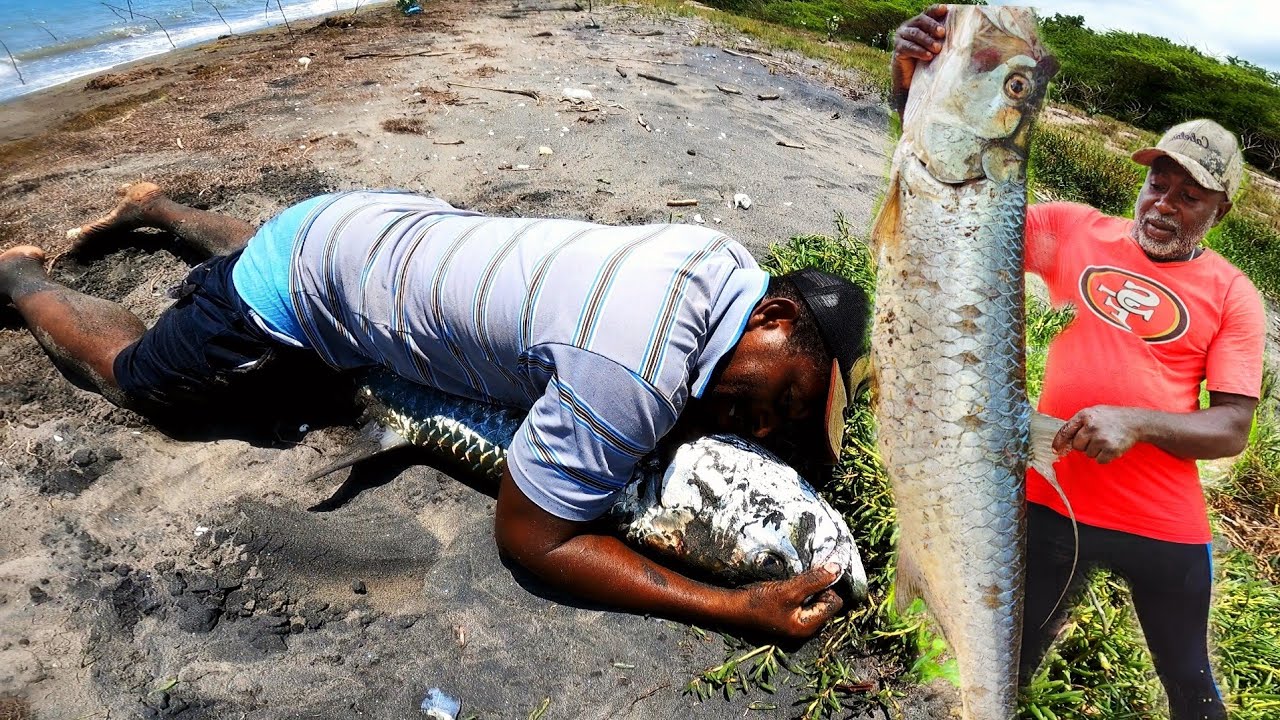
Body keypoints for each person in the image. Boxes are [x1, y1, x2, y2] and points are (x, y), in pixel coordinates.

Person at [0, 183, 871, 641]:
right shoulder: (632, 369)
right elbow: (532, 539)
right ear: (774, 316)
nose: (764, 430)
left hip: (387, 223)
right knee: (142, 381)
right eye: (786, 402)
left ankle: (161, 209)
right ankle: (22, 278)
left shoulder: (721, 261)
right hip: (306, 283)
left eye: (791, 430)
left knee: (299, 247)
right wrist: (732, 608)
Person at [893, 7, 1265, 720]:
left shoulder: (1234, 295)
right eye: (1158, 184)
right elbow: (954, 211)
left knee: (1192, 689)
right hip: (1047, 499)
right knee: (1004, 663)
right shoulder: (1074, 229)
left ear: (1218, 213)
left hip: (1162, 522)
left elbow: (1231, 429)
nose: (1164, 205)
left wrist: (1137, 423)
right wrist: (913, 83)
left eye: (1190, 197)